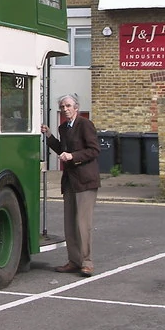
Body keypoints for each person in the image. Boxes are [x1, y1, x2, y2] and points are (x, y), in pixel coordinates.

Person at [41, 94, 100, 276]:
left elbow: (94, 150)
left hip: (85, 180)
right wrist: (49, 135)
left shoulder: (85, 124)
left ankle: (87, 262)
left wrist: (73, 156)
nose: (65, 109)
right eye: (62, 107)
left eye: (68, 106)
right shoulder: (63, 128)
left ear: (76, 107)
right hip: (69, 181)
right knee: (70, 224)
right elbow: (62, 149)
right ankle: (74, 261)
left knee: (83, 224)